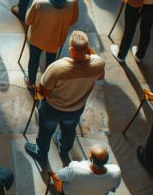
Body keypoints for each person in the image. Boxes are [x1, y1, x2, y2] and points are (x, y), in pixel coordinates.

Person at [25, 31, 105, 163]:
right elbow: (100, 72)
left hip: (52, 109)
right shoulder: (97, 65)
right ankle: (64, 149)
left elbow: (43, 91)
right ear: (87, 49)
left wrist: (38, 99)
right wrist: (85, 47)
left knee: (46, 131)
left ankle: (42, 153)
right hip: (75, 109)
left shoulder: (57, 68)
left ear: (71, 49)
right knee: (69, 130)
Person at [25, 0, 79, 88]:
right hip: (56, 40)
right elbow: (73, 21)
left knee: (34, 60)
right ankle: (47, 84)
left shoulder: (39, 2)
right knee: (51, 62)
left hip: (37, 39)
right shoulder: (72, 2)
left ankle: (31, 82)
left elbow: (28, 21)